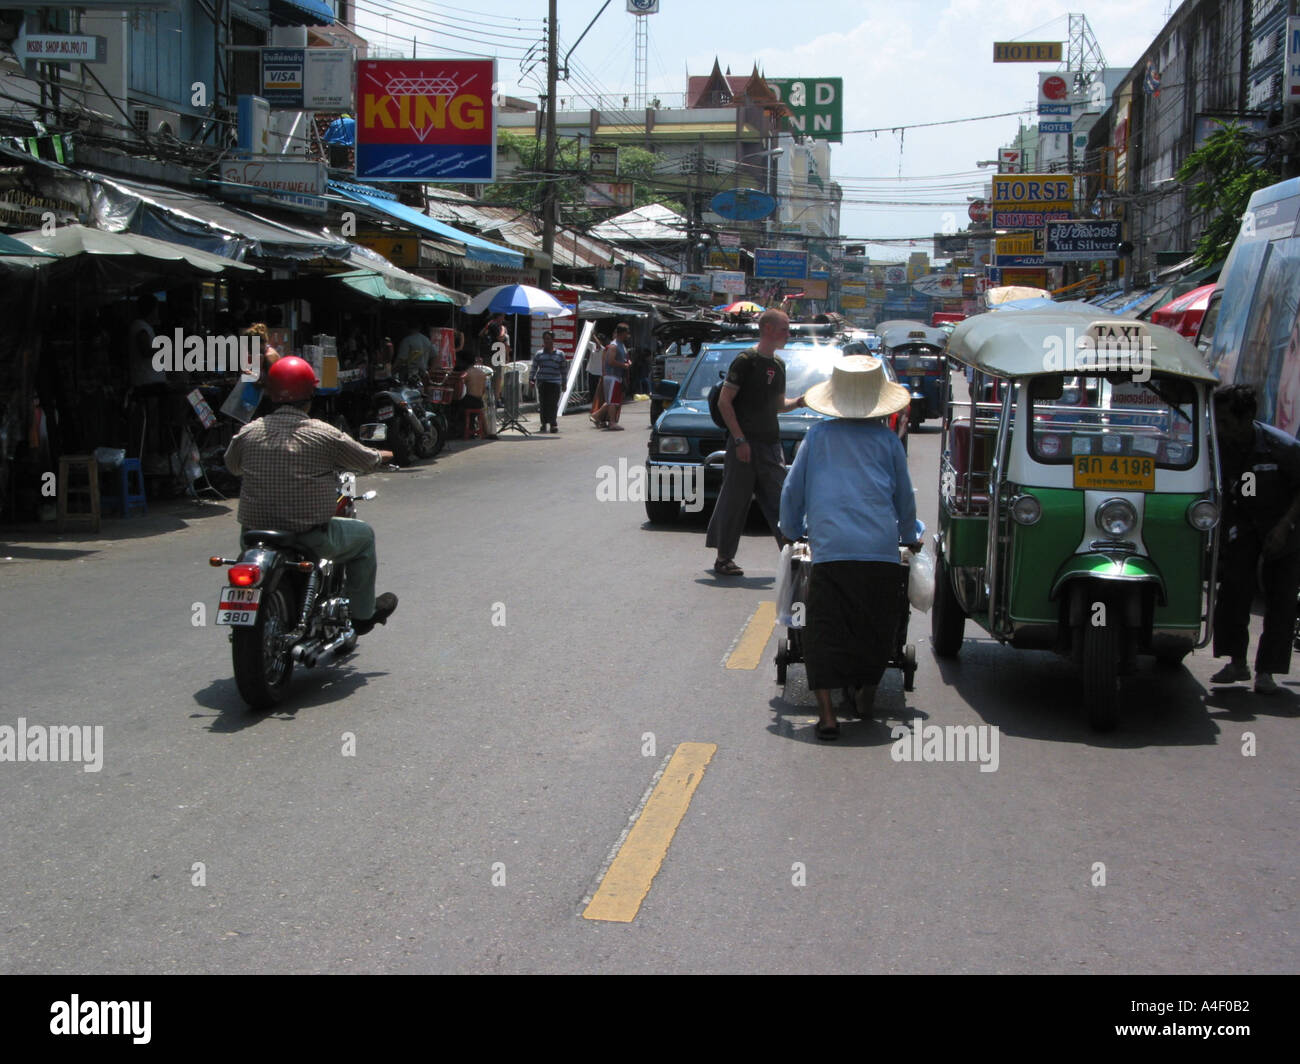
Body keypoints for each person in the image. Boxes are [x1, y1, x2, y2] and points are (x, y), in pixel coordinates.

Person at [779, 356, 918, 740]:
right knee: (875, 626)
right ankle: (867, 693)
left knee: (823, 629)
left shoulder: (818, 437)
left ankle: (826, 716)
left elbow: (794, 490)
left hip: (832, 551)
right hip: (879, 550)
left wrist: (790, 529)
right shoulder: (889, 442)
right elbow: (904, 498)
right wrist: (909, 534)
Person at [223, 356, 399, 636]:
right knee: (364, 536)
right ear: (310, 396)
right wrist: (383, 455)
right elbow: (366, 460)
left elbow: (232, 466)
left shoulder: (248, 433)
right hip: (307, 536)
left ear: (269, 393)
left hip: (252, 534)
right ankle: (363, 615)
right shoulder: (324, 434)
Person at [1210, 383, 1300, 694]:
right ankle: (1237, 662)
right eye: (1217, 421)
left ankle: (1267, 673)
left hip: (1283, 529)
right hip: (1242, 527)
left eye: (1226, 421)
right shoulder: (1218, 445)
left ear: (1247, 416)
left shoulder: (1283, 448)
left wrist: (1284, 527)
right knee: (1234, 592)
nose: (1220, 428)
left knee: (1282, 601)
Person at [707, 308, 806, 576]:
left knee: (780, 500)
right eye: (784, 328)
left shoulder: (778, 365)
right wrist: (739, 440)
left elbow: (777, 405)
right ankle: (724, 557)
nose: (788, 333)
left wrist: (798, 402)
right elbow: (724, 402)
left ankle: (792, 556)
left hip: (770, 443)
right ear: (768, 330)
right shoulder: (746, 360)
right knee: (735, 500)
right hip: (744, 444)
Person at [594, 323, 632, 430]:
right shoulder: (614, 345)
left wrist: (628, 362)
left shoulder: (622, 345)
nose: (628, 335)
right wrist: (623, 365)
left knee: (614, 400)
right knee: (612, 401)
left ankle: (597, 416)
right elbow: (610, 361)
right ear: (622, 333)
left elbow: (623, 358)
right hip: (612, 376)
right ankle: (612, 423)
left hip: (618, 376)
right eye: (626, 333)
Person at [530, 330, 566, 433]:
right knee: (543, 404)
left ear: (553, 340)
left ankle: (553, 424)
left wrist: (564, 383)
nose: (546, 341)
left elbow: (563, 370)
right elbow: (534, 368)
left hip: (555, 382)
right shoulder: (539, 354)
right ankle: (544, 423)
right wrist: (531, 379)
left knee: (553, 403)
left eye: (548, 339)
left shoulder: (560, 354)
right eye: (545, 339)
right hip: (542, 382)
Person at [479, 314, 510, 405]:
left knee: (489, 376)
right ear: (499, 316)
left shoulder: (488, 325)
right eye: (503, 316)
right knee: (497, 378)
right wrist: (503, 329)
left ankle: (488, 398)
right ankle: (496, 399)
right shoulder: (496, 325)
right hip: (495, 355)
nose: (504, 319)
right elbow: (500, 338)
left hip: (488, 354)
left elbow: (480, 334)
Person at [587, 332, 608, 421]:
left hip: (599, 373)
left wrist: (593, 335)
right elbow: (586, 342)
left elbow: (599, 344)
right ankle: (594, 408)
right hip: (591, 372)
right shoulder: (593, 347)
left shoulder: (604, 349)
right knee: (592, 391)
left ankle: (598, 409)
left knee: (598, 393)